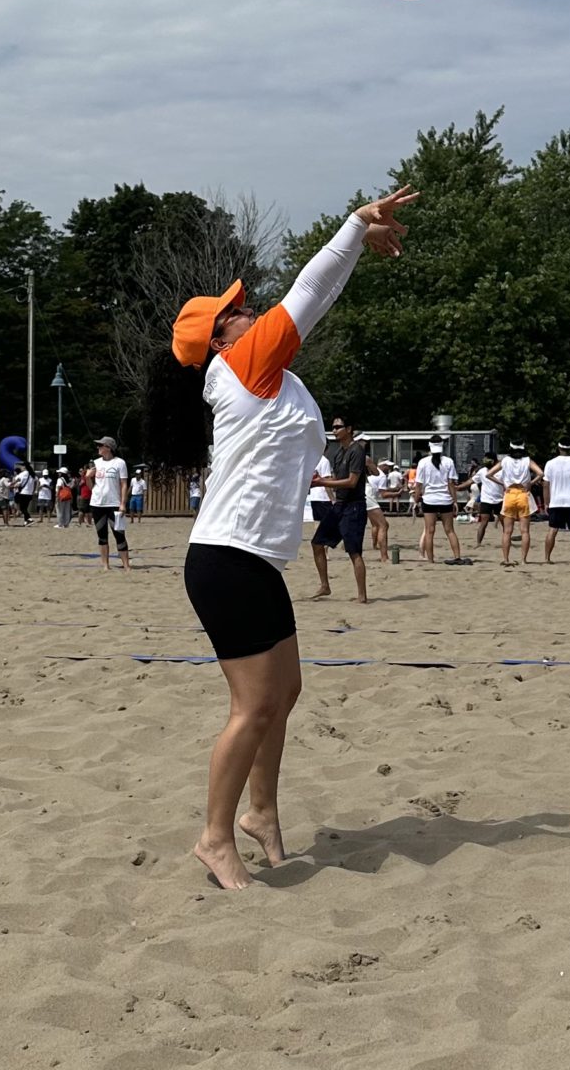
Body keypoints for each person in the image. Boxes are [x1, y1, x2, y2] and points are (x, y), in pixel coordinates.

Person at [173, 187, 416, 889]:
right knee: (252, 706)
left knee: (287, 692)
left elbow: (318, 299)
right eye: (237, 311)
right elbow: (308, 293)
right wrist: (354, 224)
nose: (250, 309)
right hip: (224, 559)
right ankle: (215, 838)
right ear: (220, 338)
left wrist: (356, 251)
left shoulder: (267, 374)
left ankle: (262, 814)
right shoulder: (241, 366)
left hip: (251, 559)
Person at [310, 414, 369, 601]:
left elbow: (352, 482)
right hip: (340, 505)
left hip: (354, 507)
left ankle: (362, 595)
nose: (334, 430)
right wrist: (319, 482)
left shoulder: (356, 451)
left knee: (354, 552)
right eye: (333, 427)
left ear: (349, 429)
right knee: (317, 543)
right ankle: (325, 585)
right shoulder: (338, 453)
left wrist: (321, 483)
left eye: (338, 427)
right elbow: (336, 479)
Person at [541, 438, 570, 563]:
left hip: (556, 501)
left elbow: (546, 484)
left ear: (559, 447)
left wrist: (546, 503)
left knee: (553, 529)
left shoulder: (550, 463)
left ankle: (547, 558)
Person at [414, 441, 461, 563]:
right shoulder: (448, 461)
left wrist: (415, 500)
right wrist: (455, 500)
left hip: (429, 499)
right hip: (445, 499)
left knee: (429, 531)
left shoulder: (423, 462)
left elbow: (418, 484)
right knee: (450, 530)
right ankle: (457, 556)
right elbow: (451, 483)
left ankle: (430, 559)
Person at [89, 438, 130, 569]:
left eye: (100, 445)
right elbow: (91, 487)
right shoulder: (96, 463)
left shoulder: (119, 463)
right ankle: (105, 565)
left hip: (114, 503)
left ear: (109, 447)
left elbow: (124, 484)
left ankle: (126, 565)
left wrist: (123, 503)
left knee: (119, 535)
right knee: (102, 536)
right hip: (97, 504)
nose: (98, 447)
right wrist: (87, 477)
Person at [497, 443, 541, 564]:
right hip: (523, 494)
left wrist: (502, 483)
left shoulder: (505, 460)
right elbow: (541, 473)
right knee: (525, 531)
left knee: (507, 531)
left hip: (510, 493)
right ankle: (523, 560)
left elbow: (489, 474)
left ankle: (506, 559)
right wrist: (531, 483)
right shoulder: (527, 460)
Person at [469, 453, 503, 544]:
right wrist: (459, 487)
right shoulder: (482, 471)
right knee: (484, 522)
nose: (485, 460)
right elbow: (471, 480)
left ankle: (507, 540)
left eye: (487, 459)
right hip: (486, 500)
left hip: (499, 499)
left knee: (504, 523)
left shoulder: (501, 470)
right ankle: (478, 543)